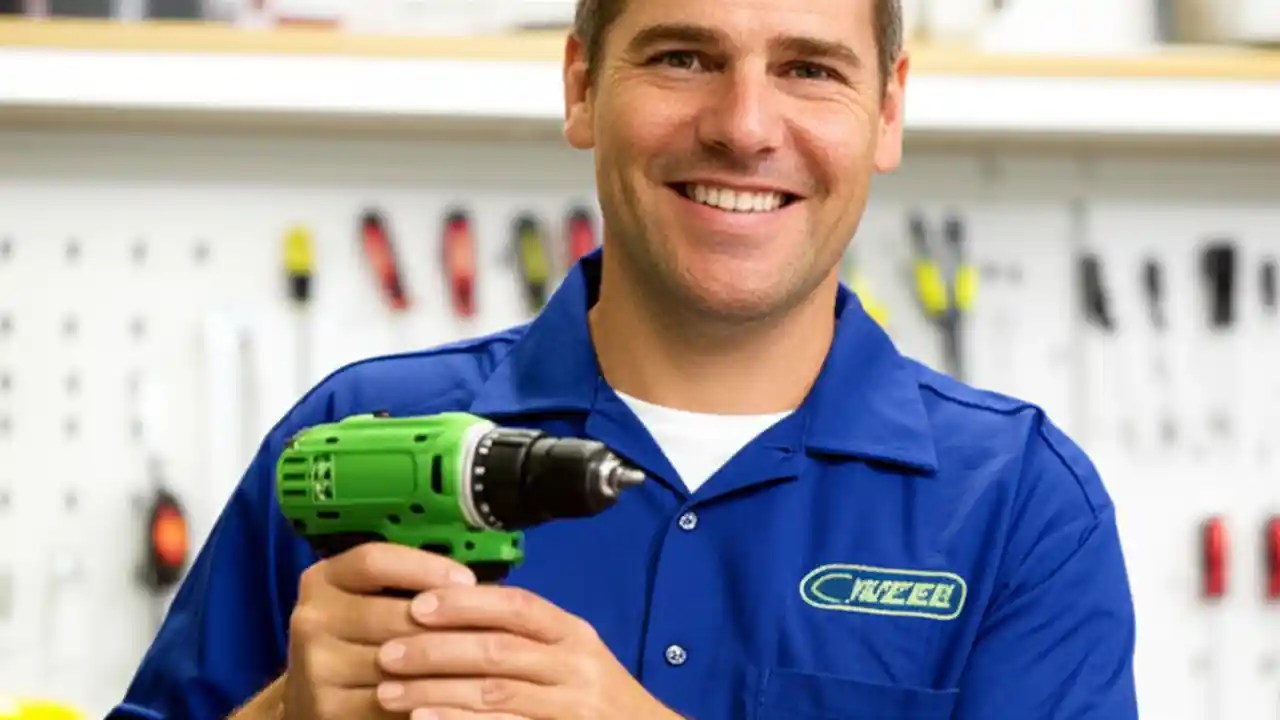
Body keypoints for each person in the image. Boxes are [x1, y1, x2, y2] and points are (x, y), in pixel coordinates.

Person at [110, 0, 1139, 717]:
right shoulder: (362, 434)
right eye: (682, 56)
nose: (742, 126)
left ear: (886, 110)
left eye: (807, 69)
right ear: (580, 87)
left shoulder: (1015, 508)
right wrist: (287, 713)